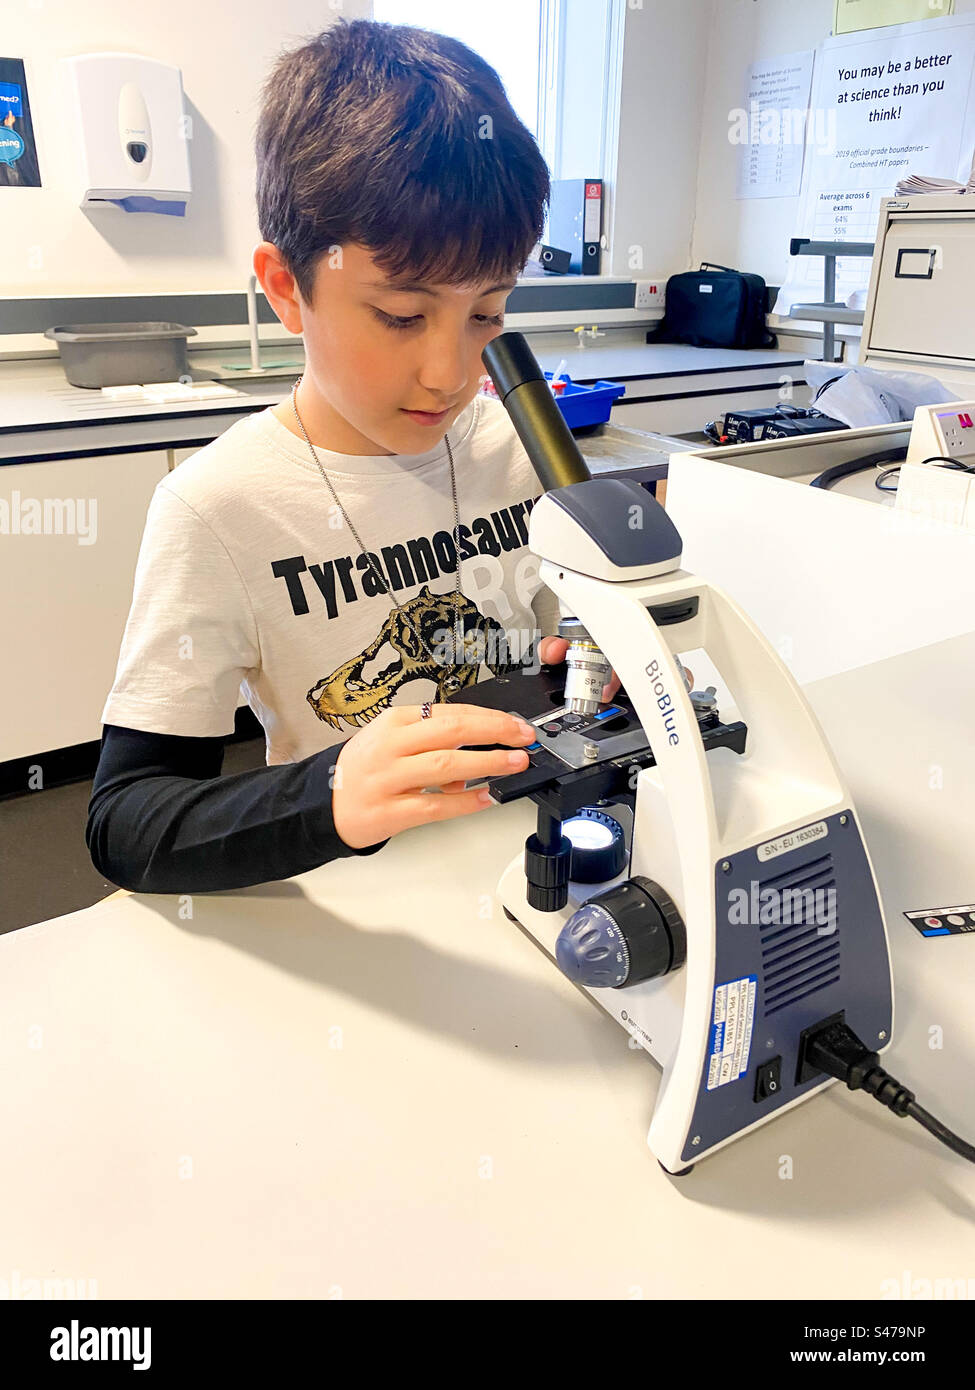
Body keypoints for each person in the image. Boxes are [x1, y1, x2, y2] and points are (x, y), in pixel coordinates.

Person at [86, 18, 614, 893]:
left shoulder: (514, 447)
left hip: (524, 859)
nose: (450, 374)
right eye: (401, 316)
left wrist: (586, 669)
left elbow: (565, 650)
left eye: (486, 312)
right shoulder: (218, 508)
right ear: (287, 288)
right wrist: (331, 795)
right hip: (361, 891)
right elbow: (127, 823)